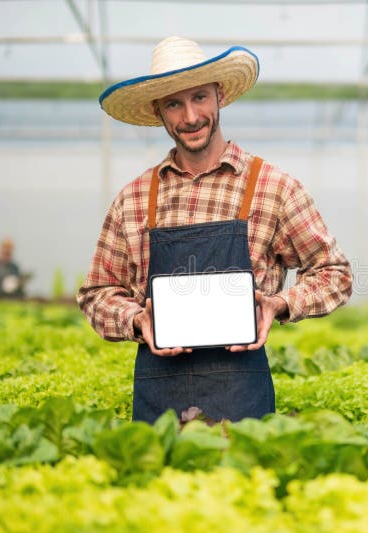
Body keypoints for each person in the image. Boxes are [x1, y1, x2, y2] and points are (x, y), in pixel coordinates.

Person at [77, 37, 352, 424]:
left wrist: (281, 304)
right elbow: (96, 293)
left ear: (219, 95)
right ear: (159, 112)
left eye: (200, 98)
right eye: (174, 103)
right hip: (159, 400)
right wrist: (137, 320)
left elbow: (335, 274)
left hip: (242, 399)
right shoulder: (135, 198)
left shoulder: (273, 187)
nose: (190, 116)